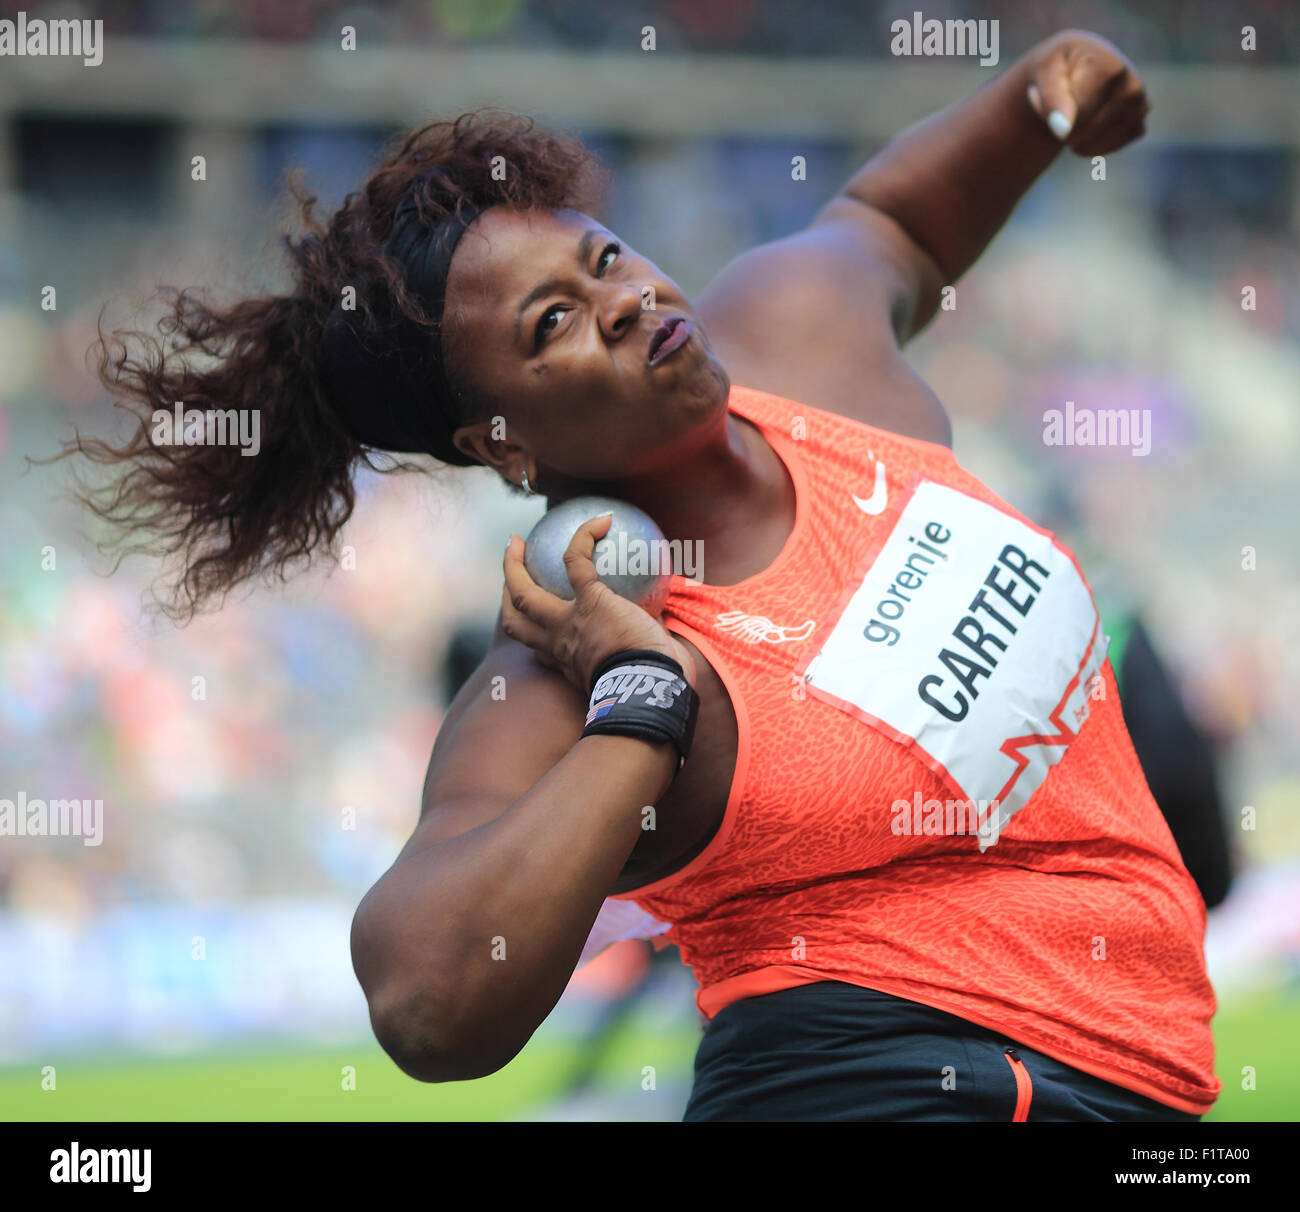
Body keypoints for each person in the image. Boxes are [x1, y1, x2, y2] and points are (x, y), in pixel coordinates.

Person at [57, 27, 1219, 1121]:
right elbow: (426, 1003)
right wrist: (643, 700)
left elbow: (895, 223)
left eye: (604, 258)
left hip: (1144, 1077)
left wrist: (1044, 93)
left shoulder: (799, 341)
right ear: (500, 445)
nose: (625, 302)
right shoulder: (565, 654)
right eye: (553, 321)